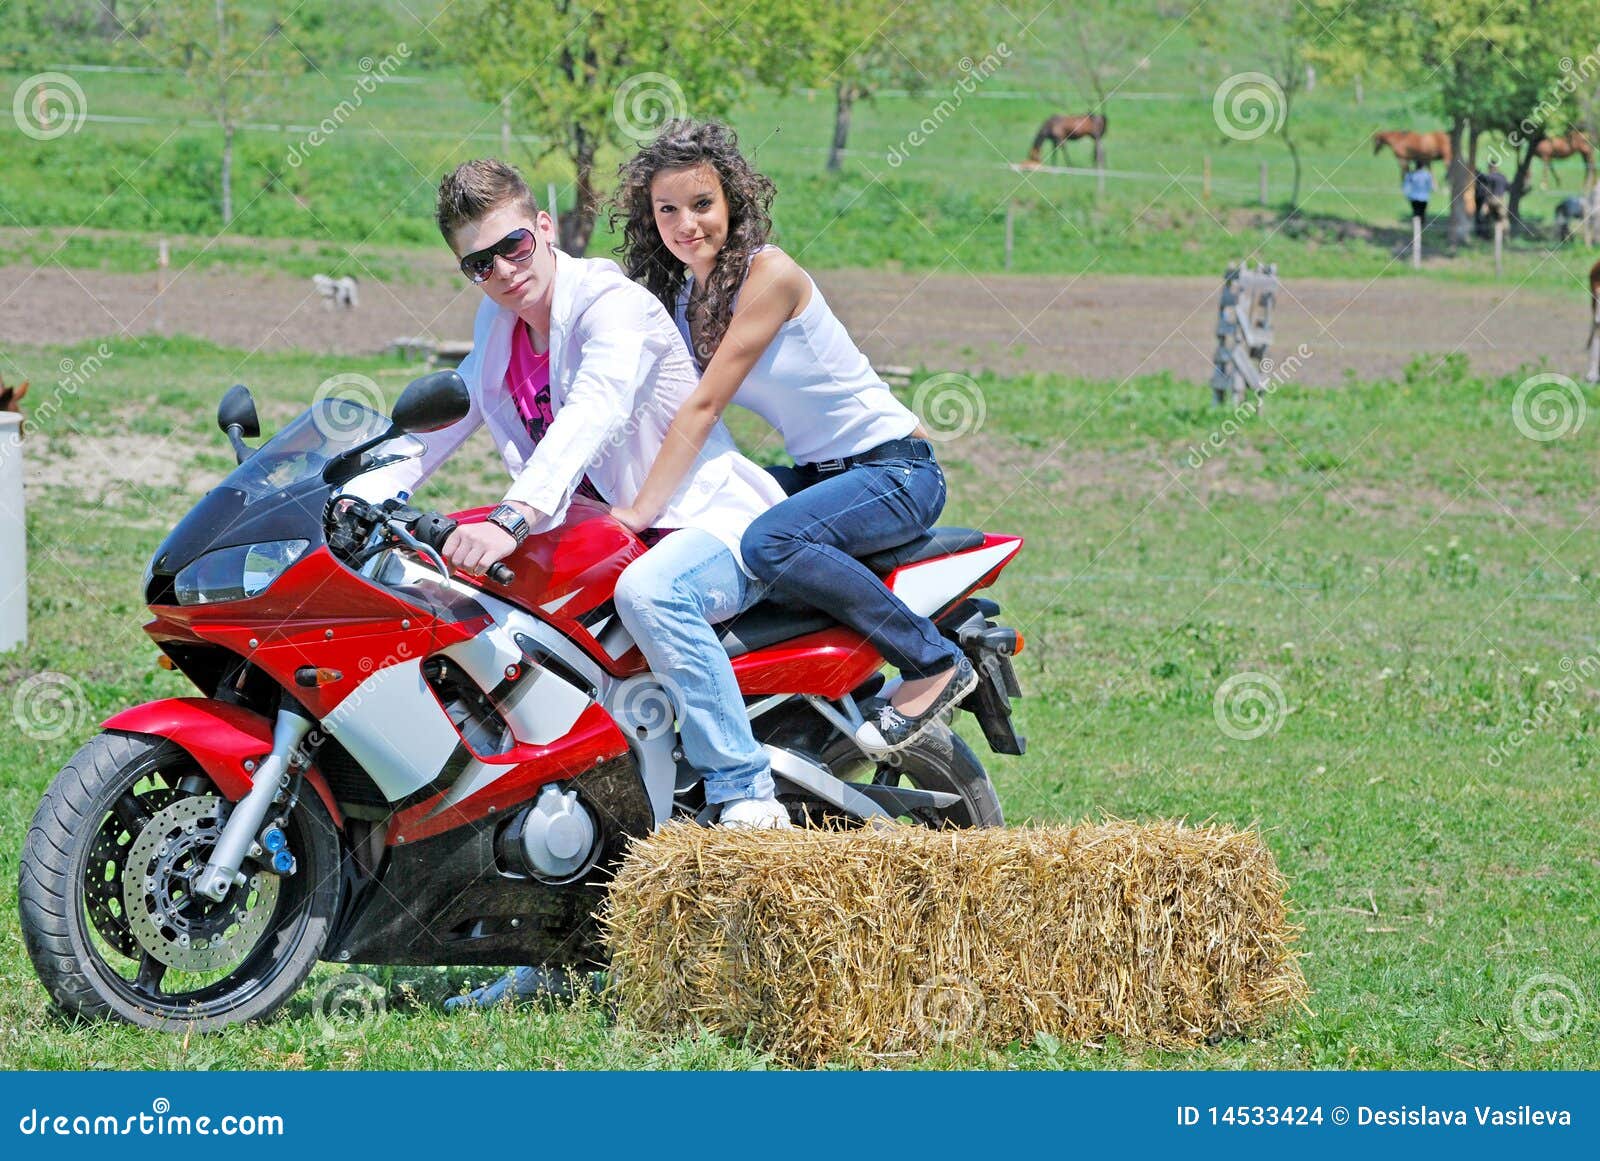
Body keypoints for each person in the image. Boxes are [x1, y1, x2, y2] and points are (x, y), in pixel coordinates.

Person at [349, 158, 791, 832]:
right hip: (610, 534)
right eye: (479, 264)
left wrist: (513, 515)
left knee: (654, 593)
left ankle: (745, 788)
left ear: (544, 228)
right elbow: (448, 414)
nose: (502, 270)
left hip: (702, 521)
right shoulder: (497, 326)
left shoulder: (611, 307)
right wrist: (355, 488)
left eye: (513, 245)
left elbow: (596, 405)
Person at [609, 119, 976, 756]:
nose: (686, 224)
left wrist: (638, 510)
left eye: (702, 204)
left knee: (768, 538)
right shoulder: (683, 297)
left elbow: (702, 407)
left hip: (896, 474)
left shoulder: (768, 275)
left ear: (733, 202)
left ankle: (934, 660)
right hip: (826, 474)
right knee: (716, 506)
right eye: (667, 210)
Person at [1403, 159, 1434, 225]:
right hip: (1424, 198)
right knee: (1422, 213)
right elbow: (1431, 186)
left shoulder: (1411, 174)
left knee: (1416, 213)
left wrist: (1407, 195)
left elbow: (1406, 185)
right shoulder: (1427, 175)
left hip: (1414, 197)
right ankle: (1420, 228)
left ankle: (1417, 229)